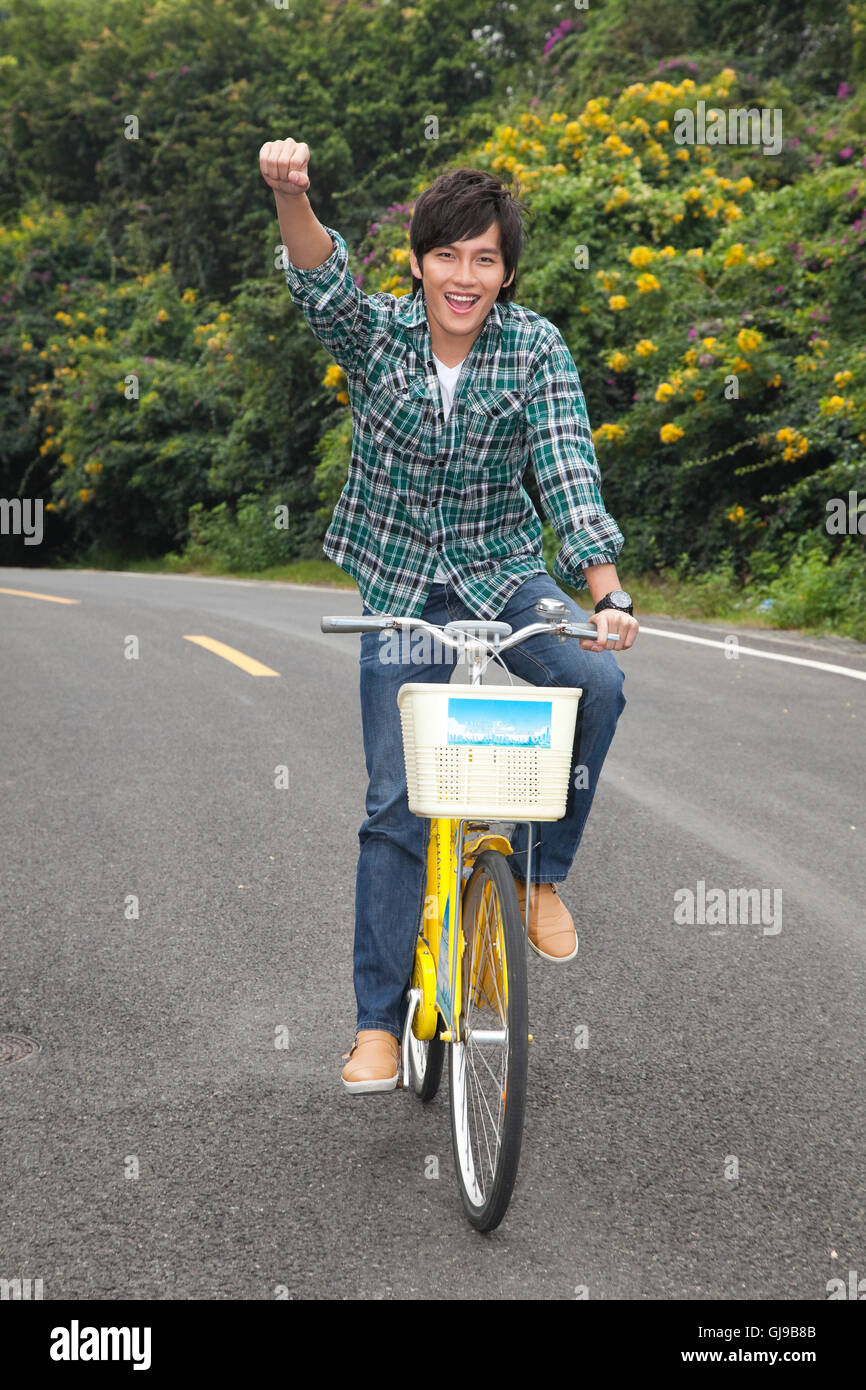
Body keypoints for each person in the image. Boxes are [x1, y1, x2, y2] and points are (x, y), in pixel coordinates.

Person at [259, 139, 639, 1094]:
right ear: (420, 262)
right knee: (396, 800)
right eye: (447, 256)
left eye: (485, 260)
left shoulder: (535, 347)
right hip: (397, 585)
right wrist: (290, 194)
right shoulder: (379, 335)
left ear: (504, 273)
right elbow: (318, 278)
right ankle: (377, 1028)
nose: (463, 278)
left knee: (597, 679)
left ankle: (540, 877)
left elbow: (566, 469)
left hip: (502, 571)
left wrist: (606, 594)